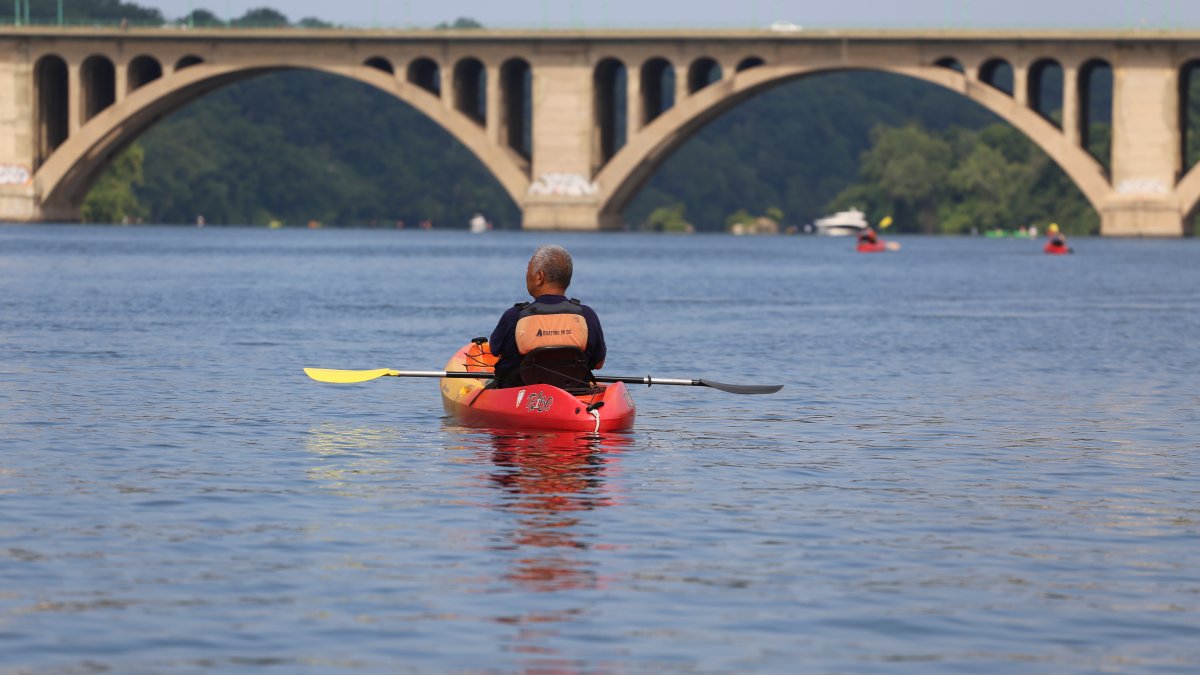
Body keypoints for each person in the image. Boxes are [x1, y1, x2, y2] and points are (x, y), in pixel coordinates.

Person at [488, 245, 606, 389]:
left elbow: (494, 351)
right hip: (574, 394)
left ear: (539, 277)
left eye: (528, 269)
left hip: (519, 396)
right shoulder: (587, 315)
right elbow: (598, 364)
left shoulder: (513, 316)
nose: (526, 274)